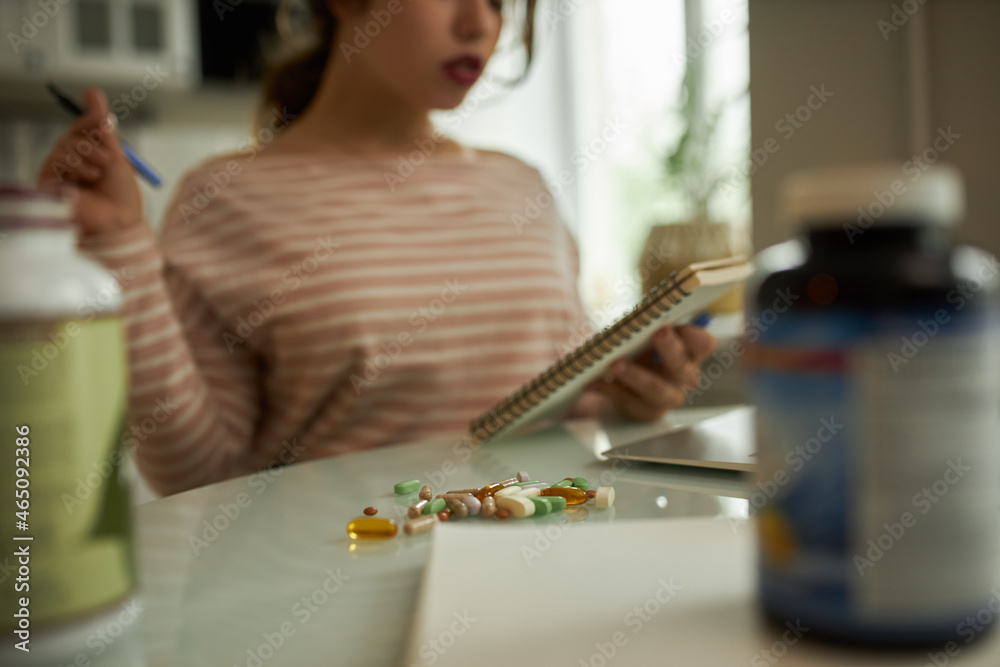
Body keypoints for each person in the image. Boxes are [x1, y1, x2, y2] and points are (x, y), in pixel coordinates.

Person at [37, 0, 716, 496]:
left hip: (539, 567)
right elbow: (200, 476)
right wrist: (118, 243)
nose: (480, 23)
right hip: (337, 588)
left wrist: (629, 396)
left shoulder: (523, 187)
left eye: (498, 0)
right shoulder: (223, 198)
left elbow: (563, 411)